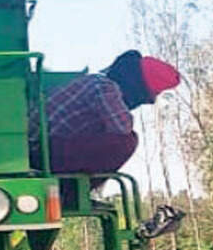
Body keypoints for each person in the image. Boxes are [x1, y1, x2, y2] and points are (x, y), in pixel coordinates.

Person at [28, 50, 180, 177]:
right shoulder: (104, 87)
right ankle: (70, 193)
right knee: (125, 142)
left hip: (41, 148)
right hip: (40, 153)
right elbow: (122, 127)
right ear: (136, 86)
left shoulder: (92, 82)